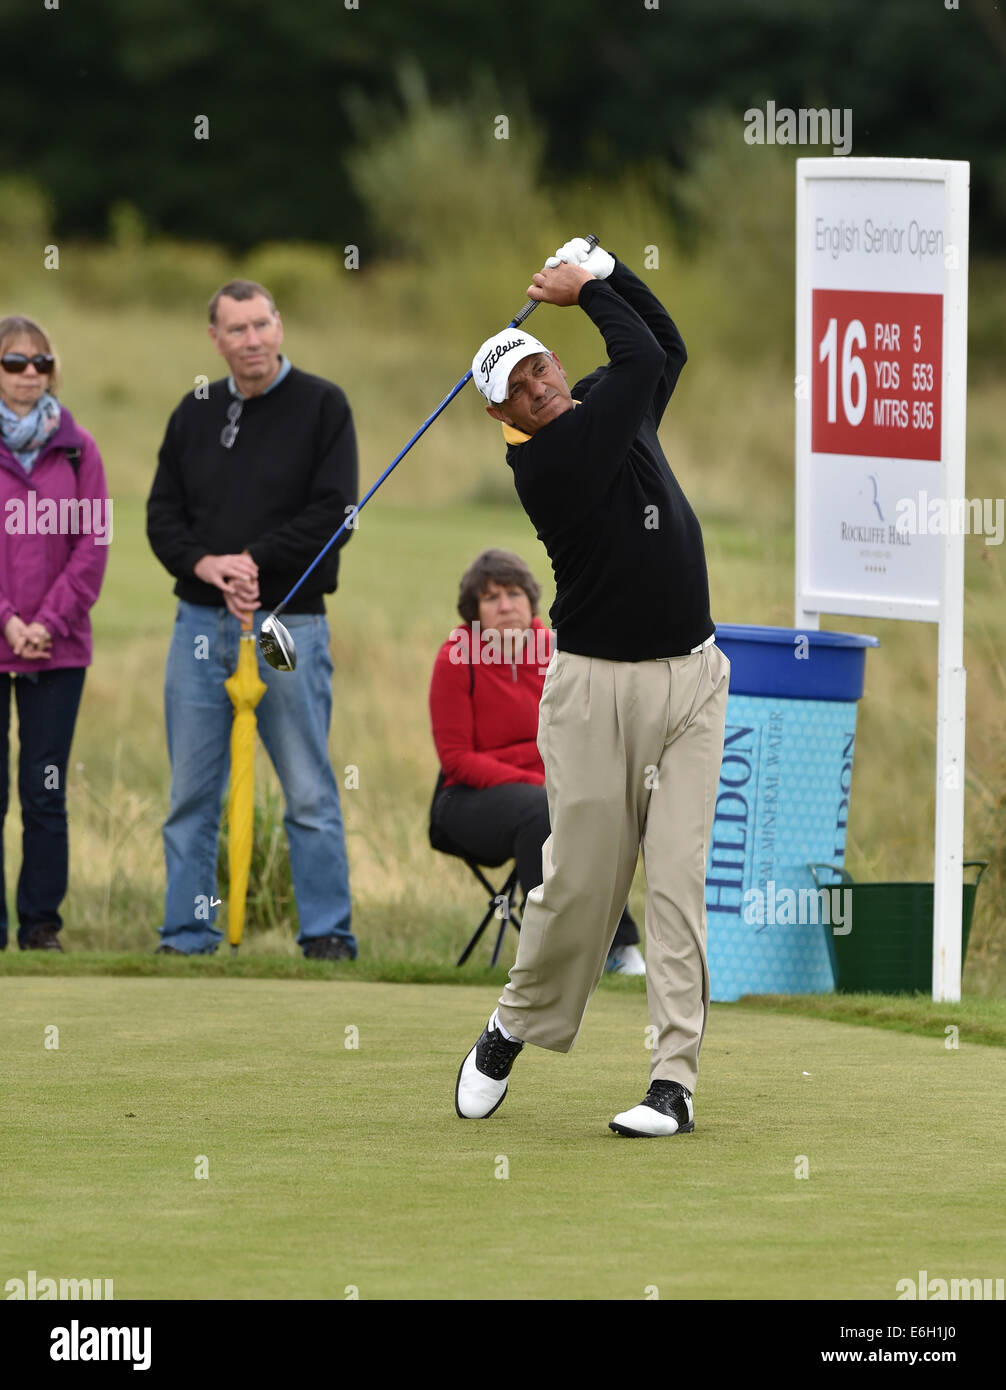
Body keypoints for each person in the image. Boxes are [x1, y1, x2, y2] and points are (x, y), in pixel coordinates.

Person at [455, 239, 729, 1137]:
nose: (541, 385)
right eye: (521, 389)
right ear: (507, 418)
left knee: (676, 886)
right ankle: (510, 1029)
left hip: (692, 678)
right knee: (579, 885)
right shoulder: (550, 460)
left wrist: (615, 270)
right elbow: (640, 354)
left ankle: (673, 1085)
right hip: (594, 693)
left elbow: (667, 349)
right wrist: (588, 284)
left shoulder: (603, 401)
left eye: (541, 366)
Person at [146, 279, 358, 959]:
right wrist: (209, 566)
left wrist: (252, 562)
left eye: (262, 324)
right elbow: (161, 518)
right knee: (191, 797)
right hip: (201, 626)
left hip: (285, 626)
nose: (252, 341)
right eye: (236, 330)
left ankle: (326, 935)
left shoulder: (324, 405)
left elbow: (332, 515)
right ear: (215, 339)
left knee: (307, 789)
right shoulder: (195, 409)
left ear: (280, 325)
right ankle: (188, 935)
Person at [429, 547, 644, 974]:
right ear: (474, 610)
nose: (505, 606)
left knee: (599, 807)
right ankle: (554, 956)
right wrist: (539, 785)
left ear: (530, 600)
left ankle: (616, 949)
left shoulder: (561, 652)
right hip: (469, 800)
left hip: (551, 791)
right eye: (491, 598)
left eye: (513, 594)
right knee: (540, 811)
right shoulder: (456, 659)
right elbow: (456, 760)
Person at [0, 315, 109, 951]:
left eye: (39, 362)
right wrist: (9, 618)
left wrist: (45, 622)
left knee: (44, 791)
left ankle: (40, 926)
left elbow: (92, 545)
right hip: (3, 634)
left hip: (57, 646)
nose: (28, 374)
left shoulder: (77, 448)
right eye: (14, 363)